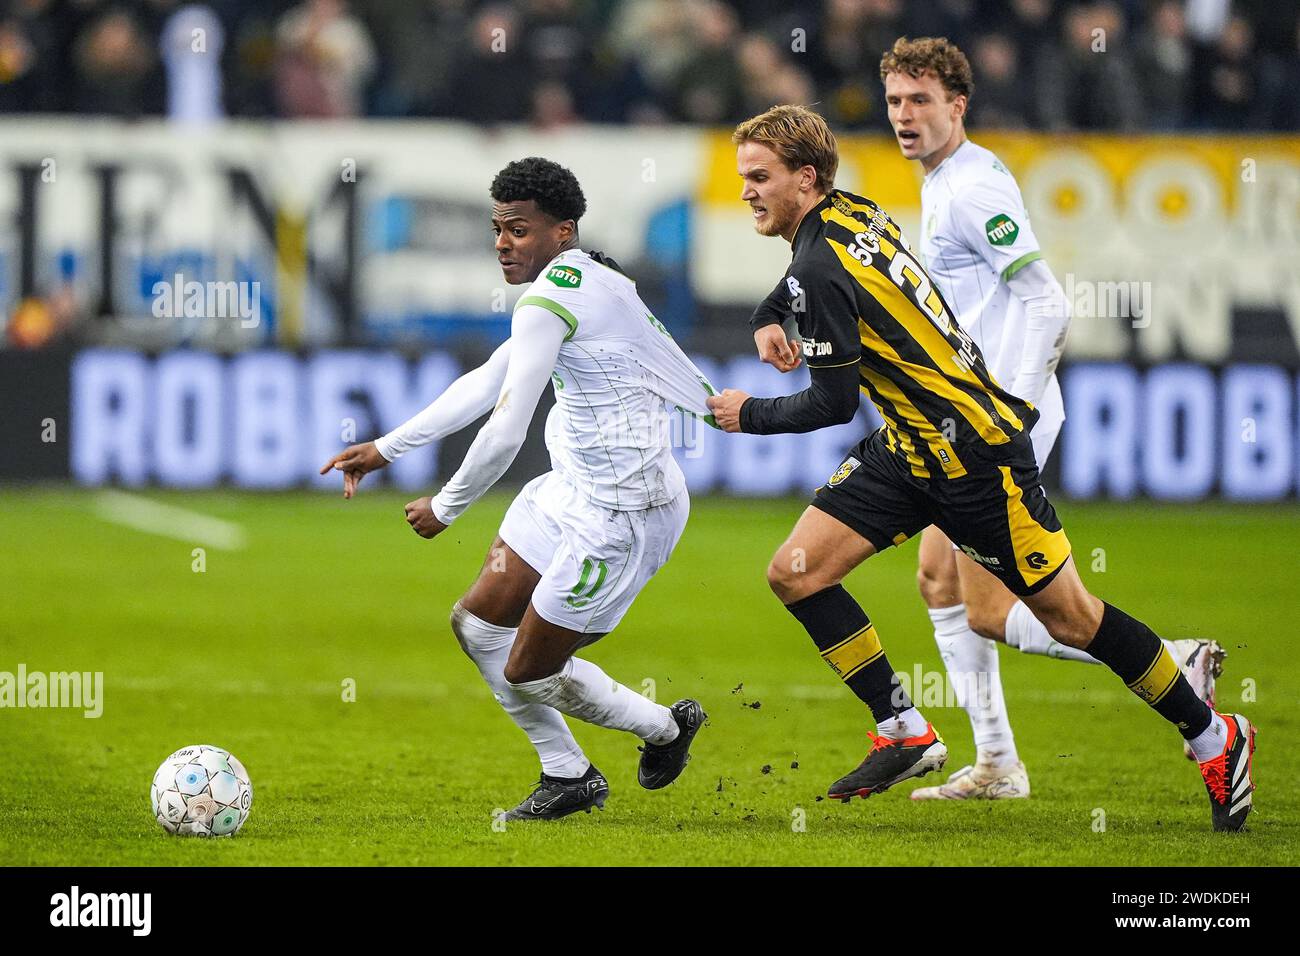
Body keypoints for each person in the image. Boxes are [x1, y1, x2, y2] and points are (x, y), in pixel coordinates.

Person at [705, 105, 1256, 831]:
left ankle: (1215, 737)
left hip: (975, 459)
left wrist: (749, 414)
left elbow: (832, 403)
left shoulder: (817, 264)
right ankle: (903, 730)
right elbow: (803, 284)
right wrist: (768, 314)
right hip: (909, 450)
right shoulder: (852, 212)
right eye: (744, 176)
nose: (746, 190)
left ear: (805, 178)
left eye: (759, 176)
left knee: (1072, 618)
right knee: (797, 572)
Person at [879, 36, 1225, 801]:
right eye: (896, 100)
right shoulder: (947, 179)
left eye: (920, 100)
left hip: (996, 426)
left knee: (996, 611)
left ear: (956, 105)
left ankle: (1175, 660)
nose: (904, 114)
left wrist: (1009, 408)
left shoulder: (972, 190)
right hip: (969, 422)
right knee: (937, 578)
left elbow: (1047, 301)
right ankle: (997, 763)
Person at [321, 158, 712, 820]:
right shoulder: (575, 281)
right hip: (571, 489)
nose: (502, 243)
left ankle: (667, 728)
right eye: (497, 229)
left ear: (563, 231)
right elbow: (487, 380)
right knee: (477, 627)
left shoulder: (558, 294)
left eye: (518, 230)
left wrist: (446, 506)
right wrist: (387, 448)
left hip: (624, 514)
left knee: (529, 669)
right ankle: (568, 774)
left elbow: (506, 429)